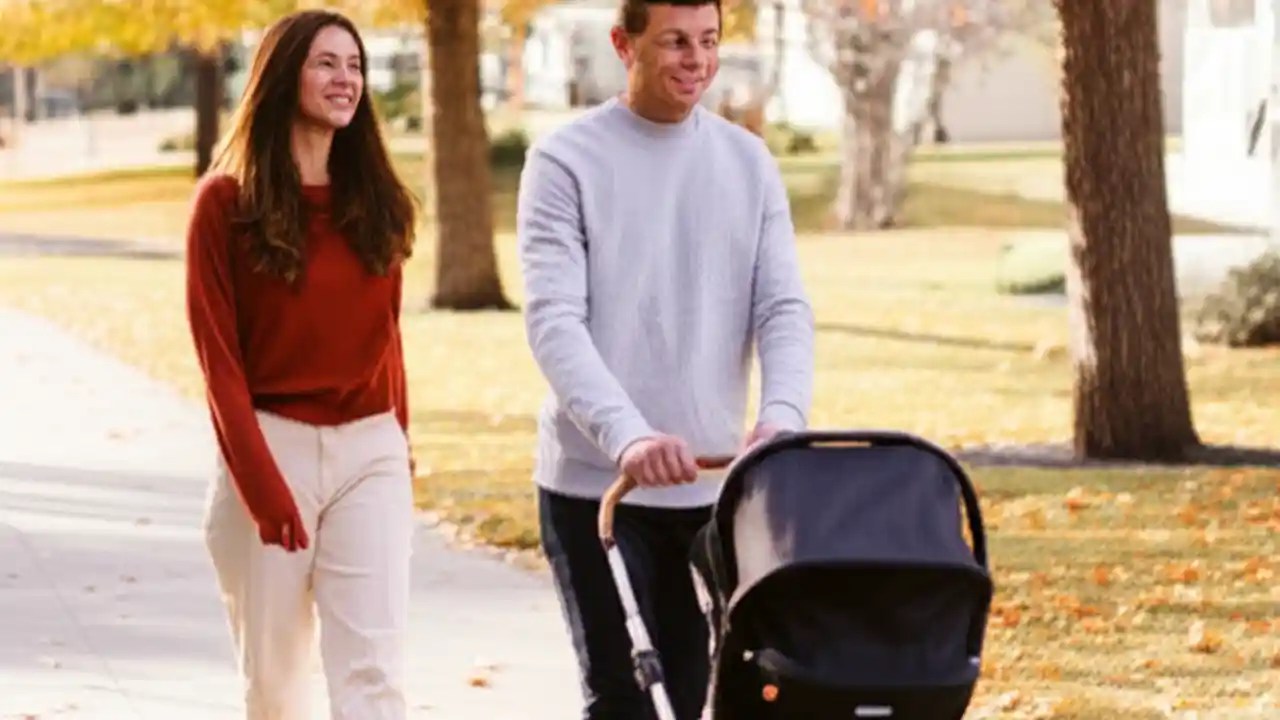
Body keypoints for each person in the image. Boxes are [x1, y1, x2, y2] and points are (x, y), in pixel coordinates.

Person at [515, 1, 815, 717]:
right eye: (675, 42)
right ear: (625, 44)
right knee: (623, 697)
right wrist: (629, 436)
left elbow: (782, 307)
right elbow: (555, 320)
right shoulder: (564, 161)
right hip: (598, 491)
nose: (697, 60)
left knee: (690, 694)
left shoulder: (747, 161)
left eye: (708, 42)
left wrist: (780, 418)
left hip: (711, 490)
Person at [184, 9, 418, 719]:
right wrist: (260, 485)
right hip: (271, 446)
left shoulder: (376, 202)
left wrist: (399, 447)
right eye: (326, 63)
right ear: (284, 76)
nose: (345, 78)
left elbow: (388, 338)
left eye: (354, 65)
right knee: (276, 686)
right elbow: (217, 358)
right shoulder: (224, 204)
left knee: (372, 670)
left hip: (369, 450)